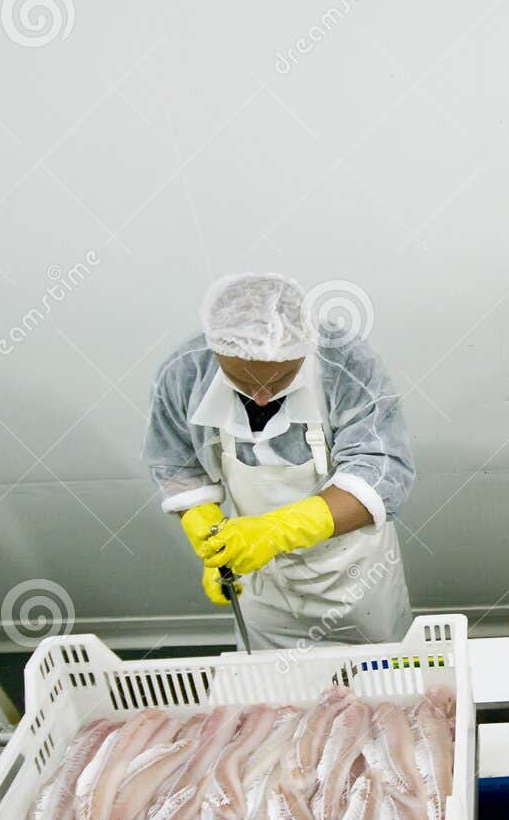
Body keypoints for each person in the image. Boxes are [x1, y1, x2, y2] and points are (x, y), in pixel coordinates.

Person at [144, 273, 415, 649]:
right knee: (272, 694)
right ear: (216, 350)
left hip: (354, 579)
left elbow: (382, 474)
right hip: (261, 583)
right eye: (241, 380)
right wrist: (207, 532)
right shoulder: (186, 372)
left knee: (379, 688)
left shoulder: (346, 364)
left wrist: (274, 532)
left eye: (279, 381)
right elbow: (177, 467)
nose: (259, 398)